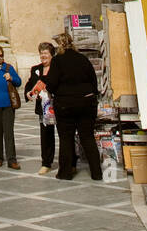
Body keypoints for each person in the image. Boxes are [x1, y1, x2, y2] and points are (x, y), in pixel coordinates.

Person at [44, 32, 103, 182]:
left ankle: (65, 173)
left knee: (66, 139)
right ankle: (97, 173)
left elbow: (51, 84)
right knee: (87, 137)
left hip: (66, 105)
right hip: (86, 103)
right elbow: (93, 81)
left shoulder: (57, 61)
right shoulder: (83, 59)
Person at [25, 41, 56, 174]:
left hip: (57, 105)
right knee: (46, 135)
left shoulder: (57, 67)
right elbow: (30, 83)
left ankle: (71, 162)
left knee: (65, 134)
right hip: (43, 108)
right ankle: (46, 163)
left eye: (45, 53)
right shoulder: (35, 69)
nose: (43, 56)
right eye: (41, 53)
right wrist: (27, 92)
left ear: (51, 55)